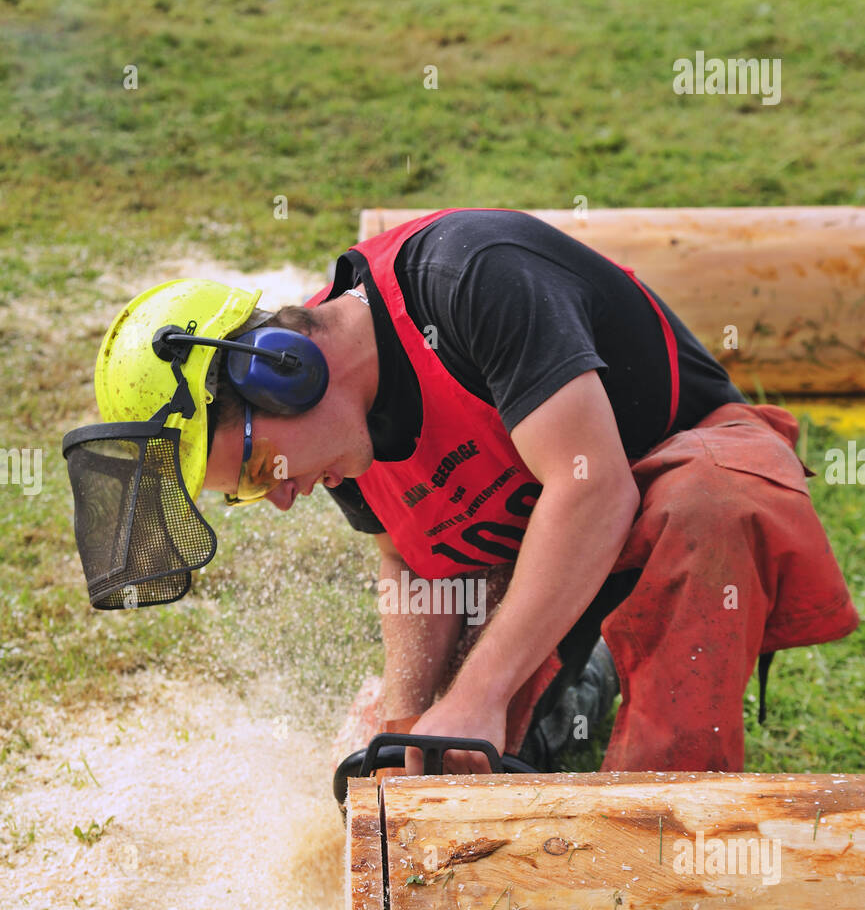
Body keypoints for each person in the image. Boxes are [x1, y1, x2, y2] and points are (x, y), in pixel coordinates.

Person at [63, 208, 859, 775]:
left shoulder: (470, 276)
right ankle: (576, 682)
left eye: (261, 469)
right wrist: (404, 718)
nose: (278, 498)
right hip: (537, 529)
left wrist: (478, 690)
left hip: (665, 473)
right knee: (440, 760)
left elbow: (594, 490)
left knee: (706, 508)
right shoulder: (338, 433)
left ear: (282, 372)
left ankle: (668, 840)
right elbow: (416, 566)